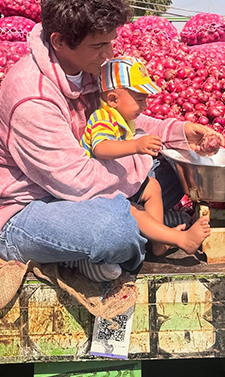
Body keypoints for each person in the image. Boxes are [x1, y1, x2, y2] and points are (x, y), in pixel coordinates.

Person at [0, 0, 220, 282]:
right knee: (112, 229)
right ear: (60, 41)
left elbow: (120, 123)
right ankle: (145, 233)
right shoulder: (31, 98)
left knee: (179, 161)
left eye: (111, 41)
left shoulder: (90, 69)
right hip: (27, 208)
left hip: (81, 188)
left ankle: (136, 233)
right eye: (99, 45)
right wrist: (141, 172)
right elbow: (77, 182)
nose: (109, 53)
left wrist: (179, 133)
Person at [80, 56, 212, 257]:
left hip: (116, 181)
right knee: (131, 210)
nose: (145, 106)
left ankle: (158, 243)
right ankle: (181, 239)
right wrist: (135, 146)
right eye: (140, 99)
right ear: (113, 99)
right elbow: (101, 148)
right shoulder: (102, 119)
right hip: (99, 190)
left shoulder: (122, 117)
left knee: (152, 186)